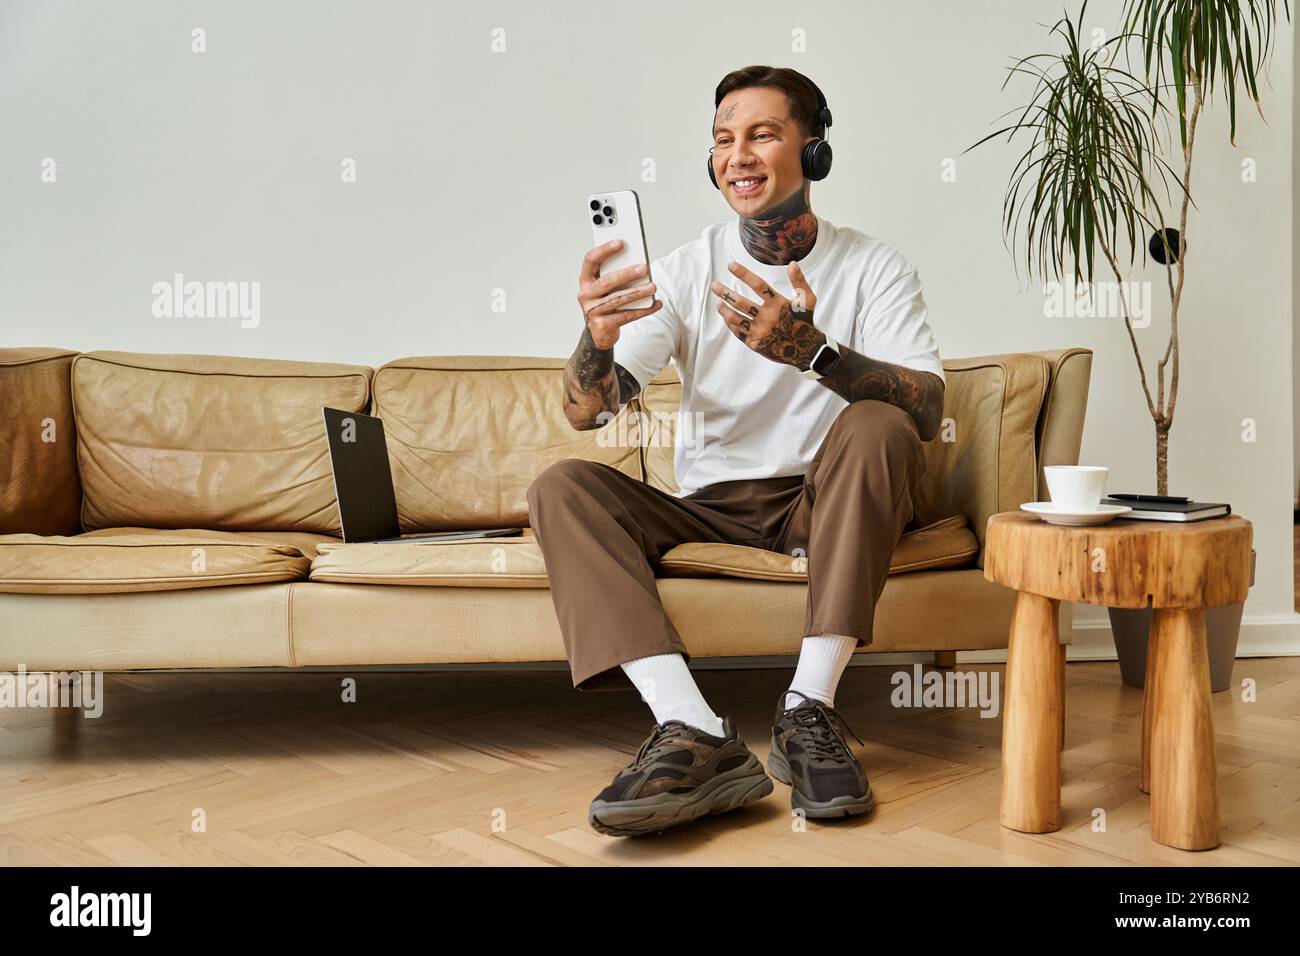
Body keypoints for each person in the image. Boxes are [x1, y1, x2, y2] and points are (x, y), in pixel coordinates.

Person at [527, 65, 945, 836]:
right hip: (711, 508)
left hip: (825, 500)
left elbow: (928, 411)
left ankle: (807, 709)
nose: (737, 154)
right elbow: (589, 410)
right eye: (723, 139)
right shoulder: (686, 271)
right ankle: (693, 731)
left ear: (813, 152)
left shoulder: (874, 266)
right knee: (562, 486)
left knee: (879, 422)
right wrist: (595, 337)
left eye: (762, 134)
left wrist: (817, 354)